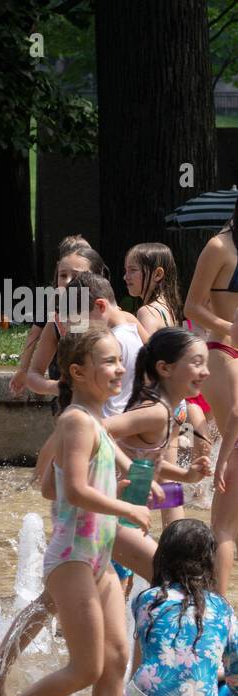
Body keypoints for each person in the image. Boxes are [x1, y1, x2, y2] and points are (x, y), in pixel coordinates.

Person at [0, 328, 211, 696]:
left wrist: (184, 476)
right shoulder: (152, 410)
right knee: (168, 580)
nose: (205, 372)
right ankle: (144, 683)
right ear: (166, 369)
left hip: (117, 515)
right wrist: (52, 466)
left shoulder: (172, 410)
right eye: (196, 363)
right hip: (107, 517)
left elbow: (141, 464)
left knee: (51, 600)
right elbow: (94, 430)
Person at [0, 328, 149, 696]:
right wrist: (122, 503)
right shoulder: (76, 420)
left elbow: (51, 485)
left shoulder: (92, 424)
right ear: (77, 372)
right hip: (71, 558)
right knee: (87, 665)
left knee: (115, 656)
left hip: (97, 559)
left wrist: (185, 479)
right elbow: (73, 488)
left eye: (119, 361)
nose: (119, 369)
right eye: (108, 362)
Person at [19, 519, 238, 696]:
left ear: (162, 557)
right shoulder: (222, 608)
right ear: (209, 562)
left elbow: (144, 666)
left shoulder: (147, 599)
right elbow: (234, 671)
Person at [184, 195, 238, 591]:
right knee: (224, 525)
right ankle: (220, 608)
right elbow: (192, 304)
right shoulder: (220, 246)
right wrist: (229, 326)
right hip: (223, 349)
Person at [25, 271, 142, 418]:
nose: (81, 332)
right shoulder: (131, 332)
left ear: (100, 306)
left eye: (82, 324)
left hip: (105, 426)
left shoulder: (108, 344)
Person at [9, 238, 109, 397]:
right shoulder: (55, 310)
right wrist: (24, 371)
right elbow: (35, 334)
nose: (69, 281)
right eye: (64, 274)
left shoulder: (108, 313)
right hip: (64, 382)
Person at [124, 242, 183, 343]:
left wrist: (127, 318)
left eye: (133, 270)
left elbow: (146, 356)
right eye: (125, 271)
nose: (125, 277)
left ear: (158, 274)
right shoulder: (169, 309)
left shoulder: (147, 311)